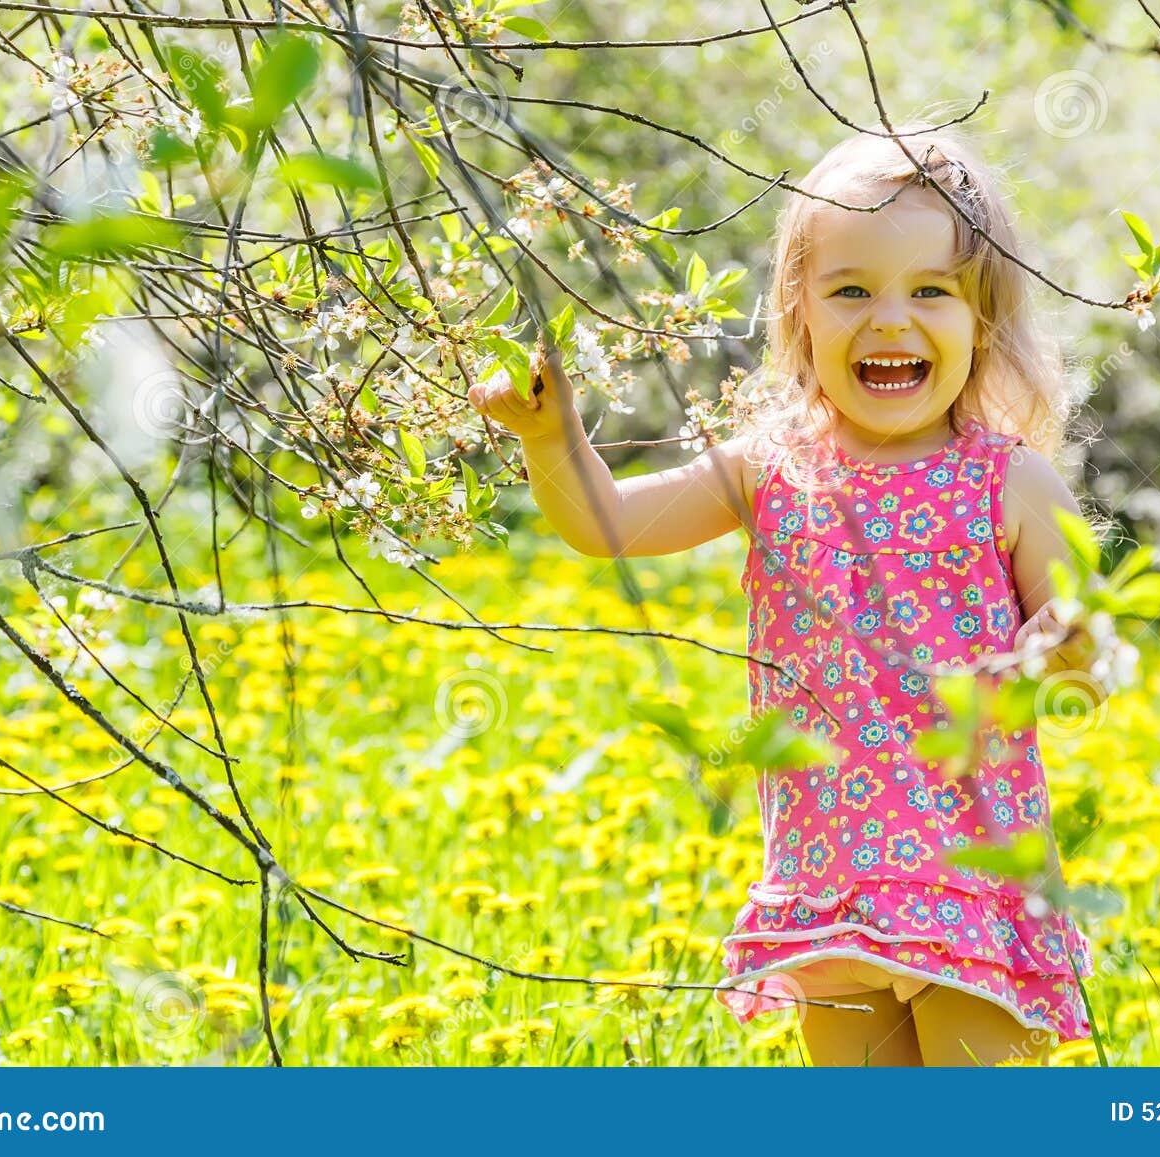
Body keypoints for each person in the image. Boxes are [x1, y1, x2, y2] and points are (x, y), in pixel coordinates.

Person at [467, 124, 1105, 1067]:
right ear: (798, 309)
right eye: (852, 290)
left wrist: (1067, 645)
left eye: (931, 290)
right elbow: (609, 525)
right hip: (828, 884)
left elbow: (1086, 653)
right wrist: (551, 438)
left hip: (971, 883)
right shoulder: (769, 471)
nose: (890, 320)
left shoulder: (1012, 484)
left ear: (985, 319)